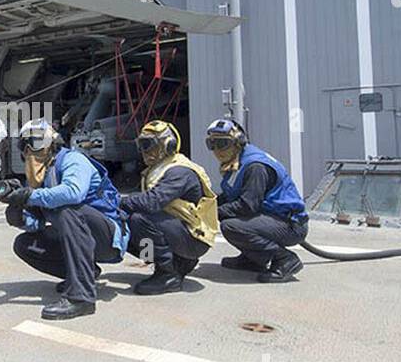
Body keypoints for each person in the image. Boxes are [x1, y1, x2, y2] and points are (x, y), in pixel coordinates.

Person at [2, 120, 129, 320]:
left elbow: (73, 193)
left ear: (52, 142)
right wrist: (19, 217)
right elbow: (38, 222)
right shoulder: (40, 176)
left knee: (66, 208)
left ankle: (82, 297)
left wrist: (29, 196)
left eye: (35, 142)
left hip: (107, 237)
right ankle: (83, 274)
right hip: (81, 237)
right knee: (24, 244)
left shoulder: (72, 160)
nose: (29, 150)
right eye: (24, 146)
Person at [120, 120, 220, 295]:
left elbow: (152, 202)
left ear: (167, 145)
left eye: (147, 144)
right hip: (181, 231)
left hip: (194, 239)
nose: (144, 150)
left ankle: (169, 275)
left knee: (138, 220)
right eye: (141, 145)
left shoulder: (179, 171)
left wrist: (119, 201)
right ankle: (176, 262)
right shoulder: (159, 168)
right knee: (125, 223)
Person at [206, 119, 309, 283]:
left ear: (238, 142)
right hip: (273, 217)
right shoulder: (238, 161)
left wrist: (210, 213)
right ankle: (253, 259)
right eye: (212, 144)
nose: (217, 150)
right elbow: (232, 194)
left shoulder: (255, 167)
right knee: (228, 217)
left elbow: (247, 206)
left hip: (290, 224)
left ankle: (285, 260)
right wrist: (207, 203)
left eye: (222, 143)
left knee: (232, 226)